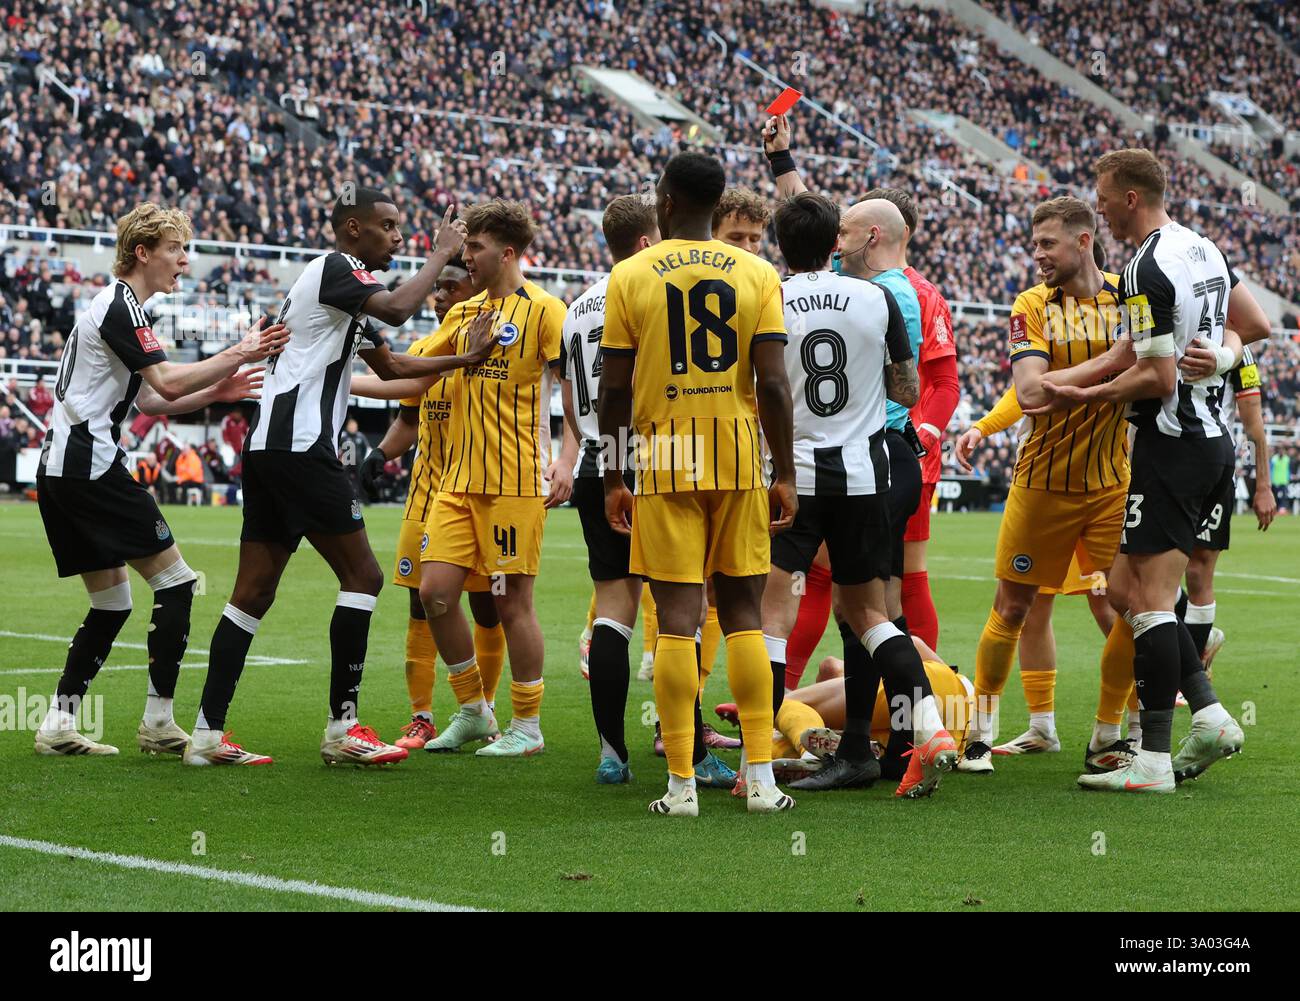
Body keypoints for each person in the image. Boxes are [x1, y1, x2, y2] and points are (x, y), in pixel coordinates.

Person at [186, 188, 498, 766]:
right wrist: (442, 253)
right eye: (388, 226)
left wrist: (463, 361)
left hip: (268, 449)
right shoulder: (337, 268)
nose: (398, 238)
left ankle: (206, 735)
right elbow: (402, 310)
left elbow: (397, 368)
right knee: (364, 576)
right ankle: (342, 728)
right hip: (304, 449)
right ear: (352, 229)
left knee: (252, 591)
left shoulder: (341, 299)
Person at [1025, 149, 1271, 792]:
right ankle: (1208, 714)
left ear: (1129, 198)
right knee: (1128, 594)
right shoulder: (1205, 248)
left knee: (1152, 603)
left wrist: (1083, 397)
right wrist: (1222, 356)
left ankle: (1156, 759)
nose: (1099, 209)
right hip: (1210, 442)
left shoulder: (1143, 265)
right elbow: (1255, 324)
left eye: (1103, 198)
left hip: (1171, 444)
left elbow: (1155, 375)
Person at [33, 201, 286, 757]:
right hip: (91, 469)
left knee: (112, 606)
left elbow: (148, 396)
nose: (184, 262)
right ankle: (158, 722)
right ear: (142, 252)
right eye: (175, 249)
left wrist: (213, 393)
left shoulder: (115, 305)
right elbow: (167, 383)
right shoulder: (122, 306)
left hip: (63, 472)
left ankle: (57, 725)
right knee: (176, 583)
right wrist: (238, 352)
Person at [598, 151, 799, 816]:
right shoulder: (757, 271)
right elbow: (772, 383)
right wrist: (786, 472)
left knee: (678, 621)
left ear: (665, 197)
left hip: (664, 457)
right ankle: (762, 781)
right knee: (742, 612)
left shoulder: (630, 275)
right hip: (737, 455)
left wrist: (613, 473)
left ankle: (681, 785)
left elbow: (616, 386)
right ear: (717, 206)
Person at [760, 190, 957, 797]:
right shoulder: (875, 298)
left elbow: (763, 384)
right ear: (833, 243)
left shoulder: (771, 297)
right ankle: (928, 729)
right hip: (865, 472)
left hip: (798, 475)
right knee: (873, 615)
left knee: (772, 614)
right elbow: (905, 387)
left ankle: (759, 764)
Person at [952, 197, 1132, 776]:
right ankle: (980, 734)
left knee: (1127, 609)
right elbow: (1028, 393)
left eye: (1047, 244)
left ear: (1083, 242)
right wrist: (1115, 362)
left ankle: (1113, 736)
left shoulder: (1130, 297)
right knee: (1015, 605)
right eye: (1035, 245)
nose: (1037, 256)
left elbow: (1154, 371)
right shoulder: (1032, 304)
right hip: (1043, 483)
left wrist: (1084, 376)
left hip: (1112, 486)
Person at [417, 200, 576, 759]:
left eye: (475, 248)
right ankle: (473, 710)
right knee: (435, 594)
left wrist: (567, 458)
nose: (467, 258)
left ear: (507, 252)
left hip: (515, 481)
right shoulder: (464, 314)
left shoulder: (548, 310)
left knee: (511, 604)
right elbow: (410, 369)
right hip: (457, 481)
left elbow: (572, 389)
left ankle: (527, 725)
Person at [352, 257, 508, 750]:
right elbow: (409, 419)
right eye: (436, 287)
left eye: (448, 286)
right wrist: (380, 453)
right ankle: (421, 715)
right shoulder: (423, 351)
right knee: (423, 605)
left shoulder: (500, 349)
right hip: (425, 498)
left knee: (487, 606)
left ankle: (484, 707)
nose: (438, 295)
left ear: (476, 288)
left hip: (480, 494)